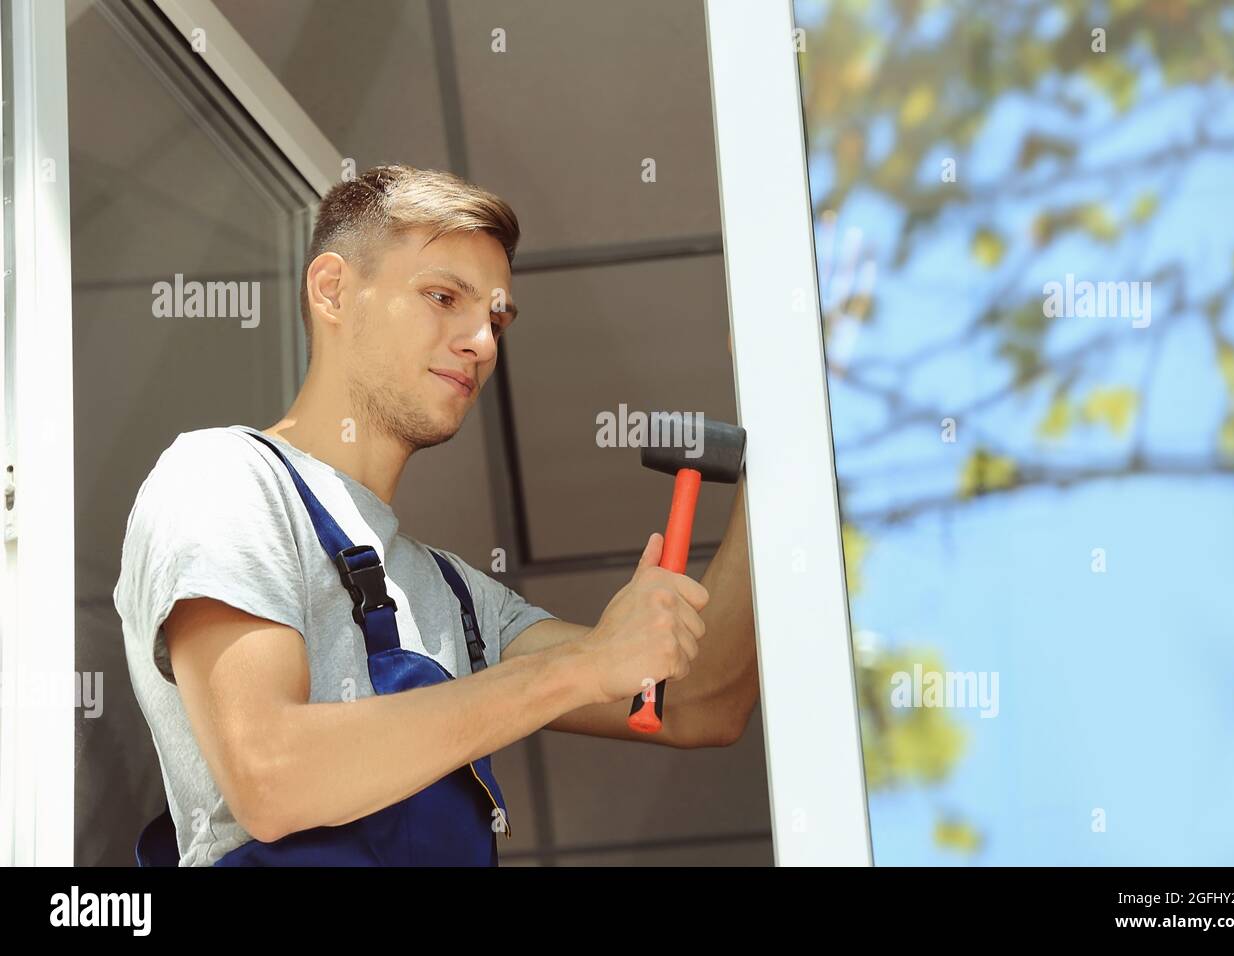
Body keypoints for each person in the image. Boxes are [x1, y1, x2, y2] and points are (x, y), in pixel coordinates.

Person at [115, 163, 758, 866]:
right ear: (332, 290)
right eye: (443, 296)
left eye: (496, 317)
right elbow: (272, 776)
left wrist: (786, 449)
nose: (482, 342)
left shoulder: (459, 597)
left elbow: (700, 702)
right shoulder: (226, 478)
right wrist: (582, 667)